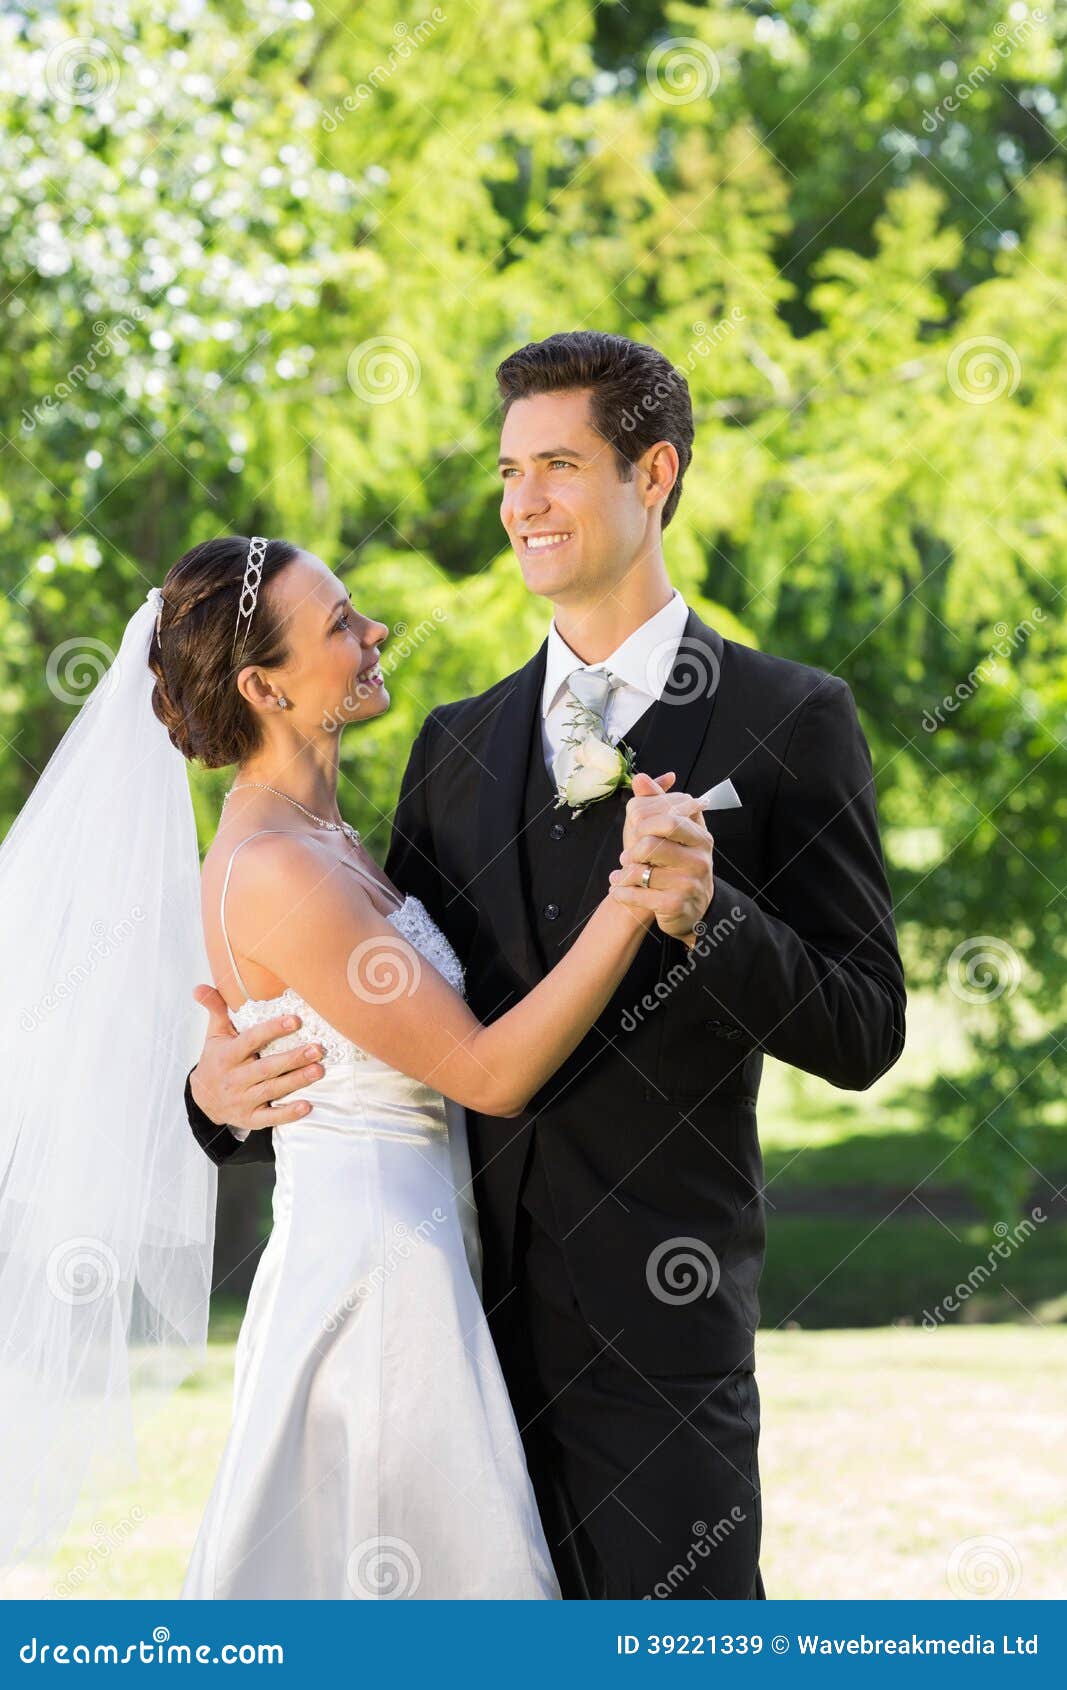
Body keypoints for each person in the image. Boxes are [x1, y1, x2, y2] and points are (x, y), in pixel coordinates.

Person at [186, 331, 907, 1600]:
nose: (522, 501)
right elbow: (378, 1023)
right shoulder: (453, 747)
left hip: (657, 1356)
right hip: (436, 1343)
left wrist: (709, 917)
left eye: (559, 465)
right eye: (510, 469)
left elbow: (863, 1030)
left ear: (654, 473)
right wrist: (212, 1103)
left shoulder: (791, 718)